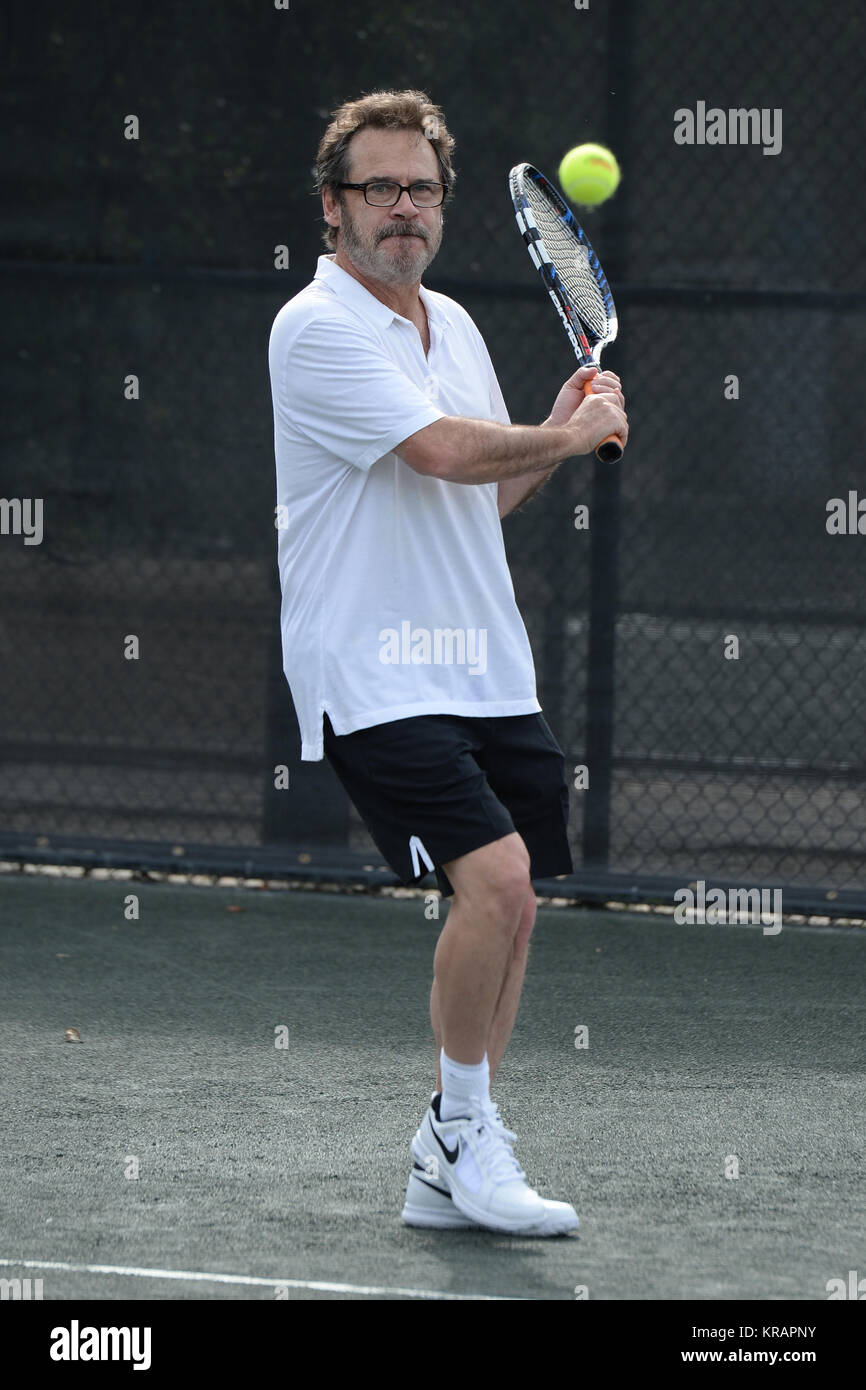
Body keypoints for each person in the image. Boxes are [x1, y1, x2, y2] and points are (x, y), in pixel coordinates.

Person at [268, 89, 628, 1237]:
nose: (402, 210)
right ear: (333, 208)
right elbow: (433, 450)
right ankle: (462, 1140)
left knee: (516, 907)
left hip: (482, 665)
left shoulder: (456, 327)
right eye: (377, 188)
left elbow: (481, 490)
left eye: (420, 189)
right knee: (498, 882)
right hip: (371, 669)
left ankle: (450, 1146)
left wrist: (553, 431)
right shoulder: (312, 328)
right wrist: (564, 433)